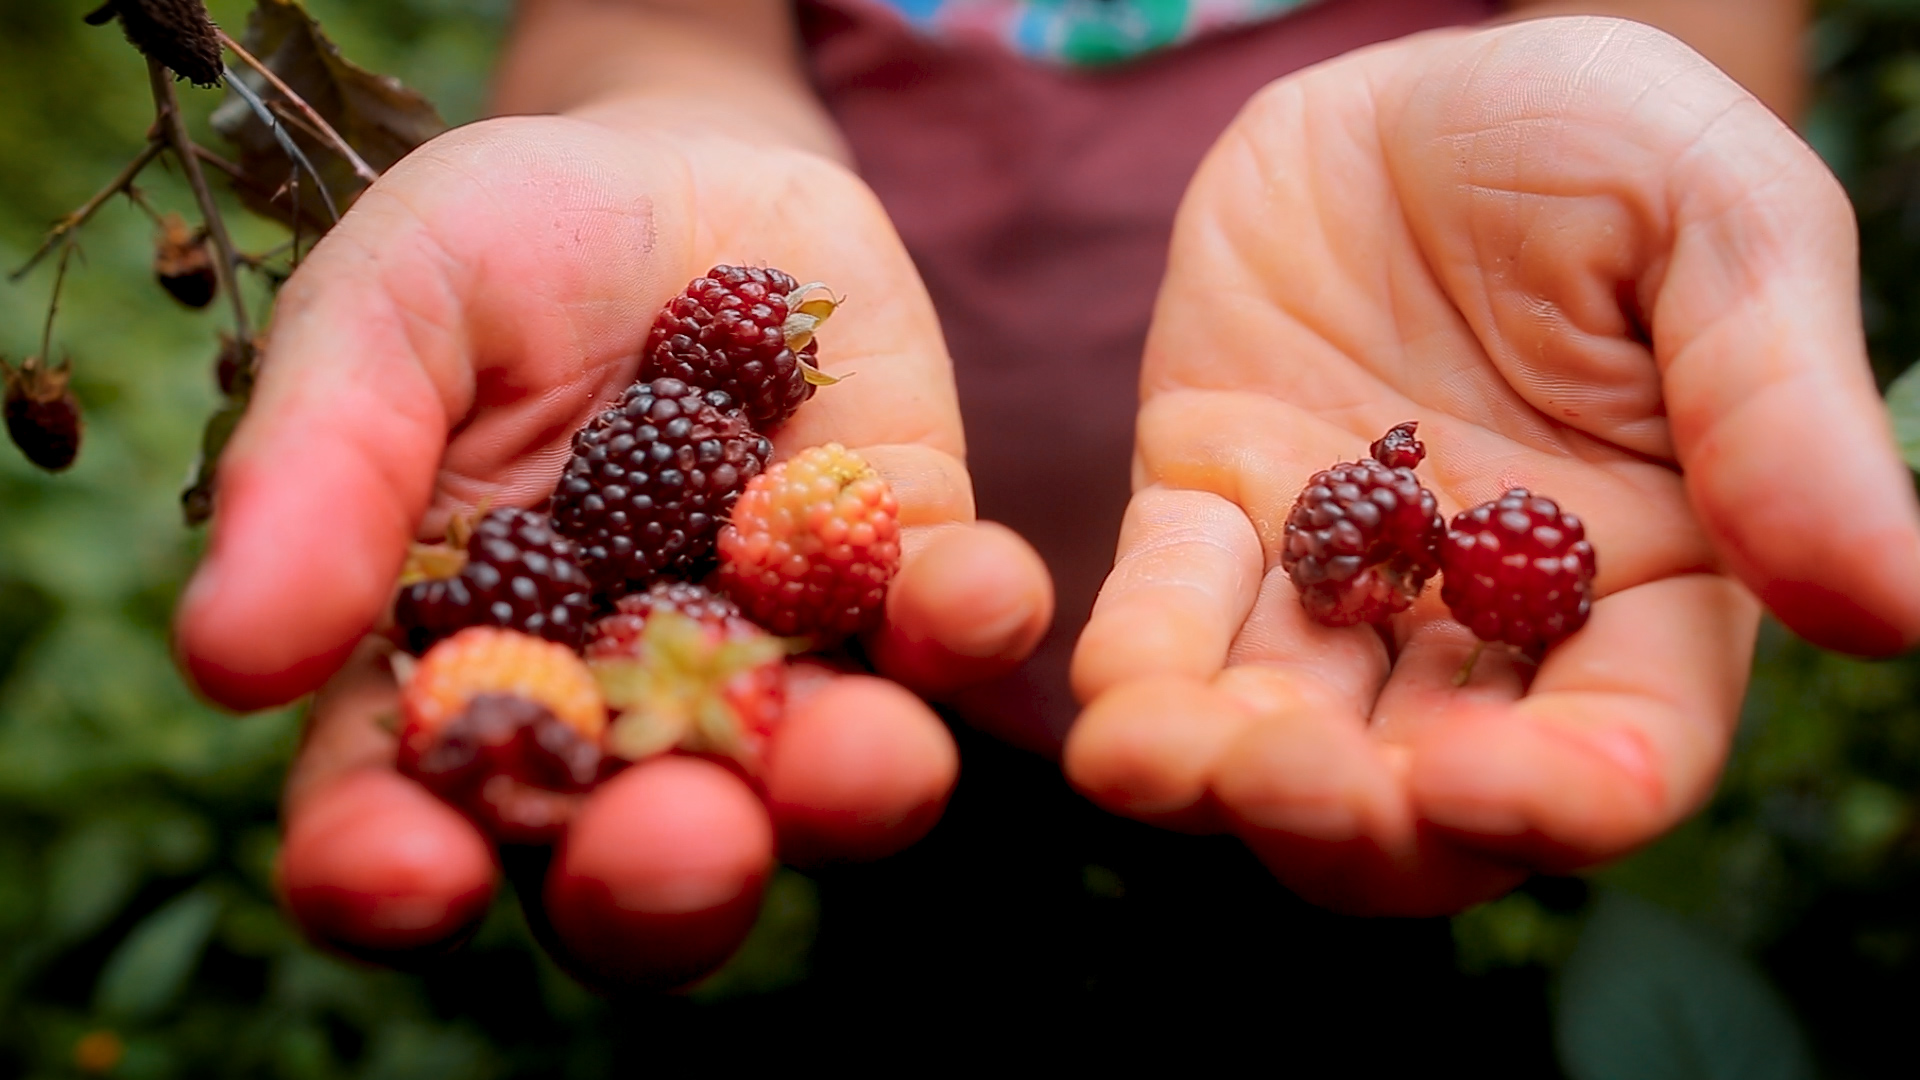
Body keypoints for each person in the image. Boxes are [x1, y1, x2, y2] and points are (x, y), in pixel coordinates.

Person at [171, 0, 1920, 988]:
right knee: (929, 930)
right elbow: (645, 30)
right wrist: (653, 142)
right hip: (897, 627)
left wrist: (1650, 75)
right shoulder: (747, 533)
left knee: (1316, 949)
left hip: (1298, 672)